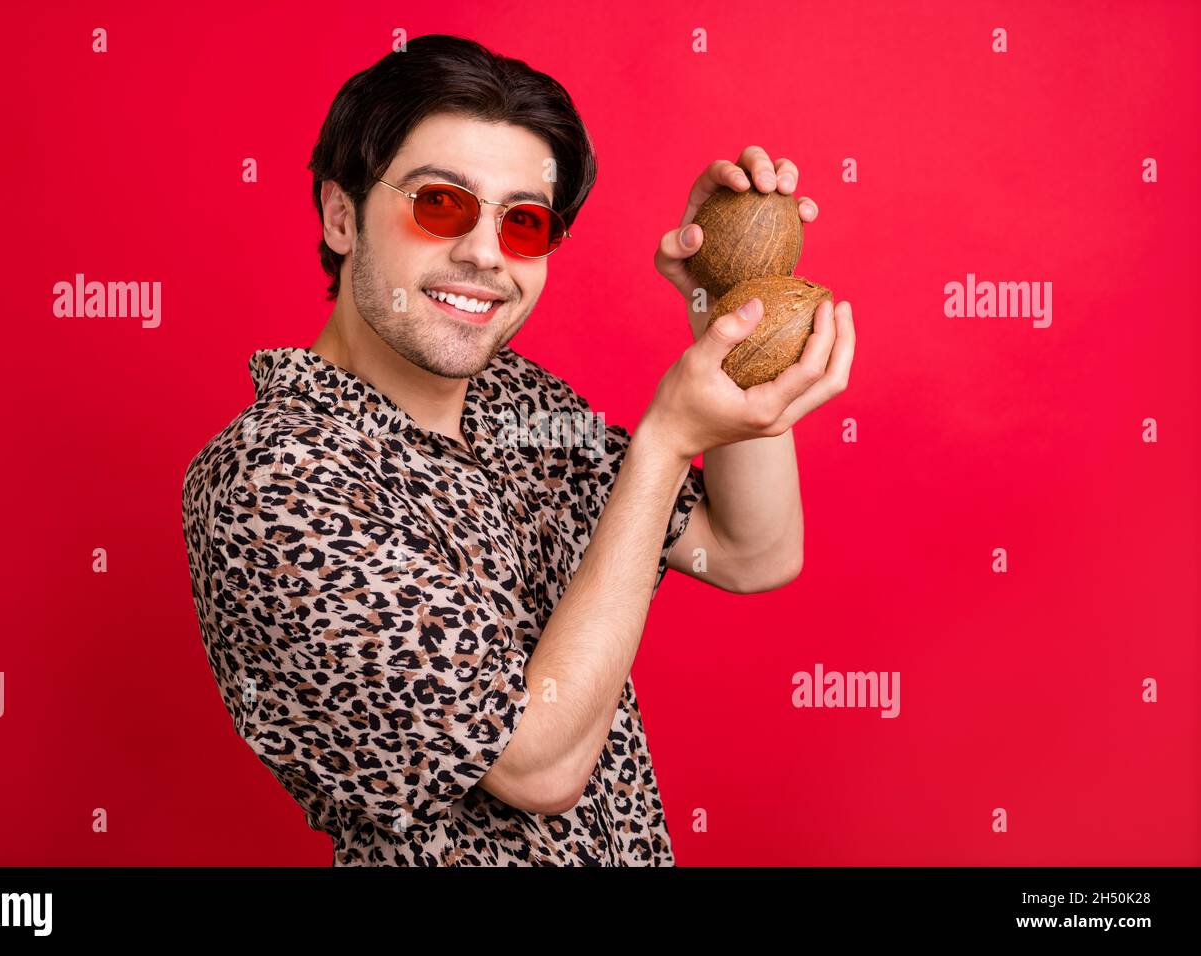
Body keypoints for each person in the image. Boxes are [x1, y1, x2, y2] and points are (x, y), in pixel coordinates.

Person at [180, 33, 855, 866]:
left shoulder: (520, 408)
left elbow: (752, 552)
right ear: (341, 214)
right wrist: (663, 443)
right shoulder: (277, 477)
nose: (486, 254)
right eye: (440, 204)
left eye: (524, 222)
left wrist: (735, 309)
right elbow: (536, 766)